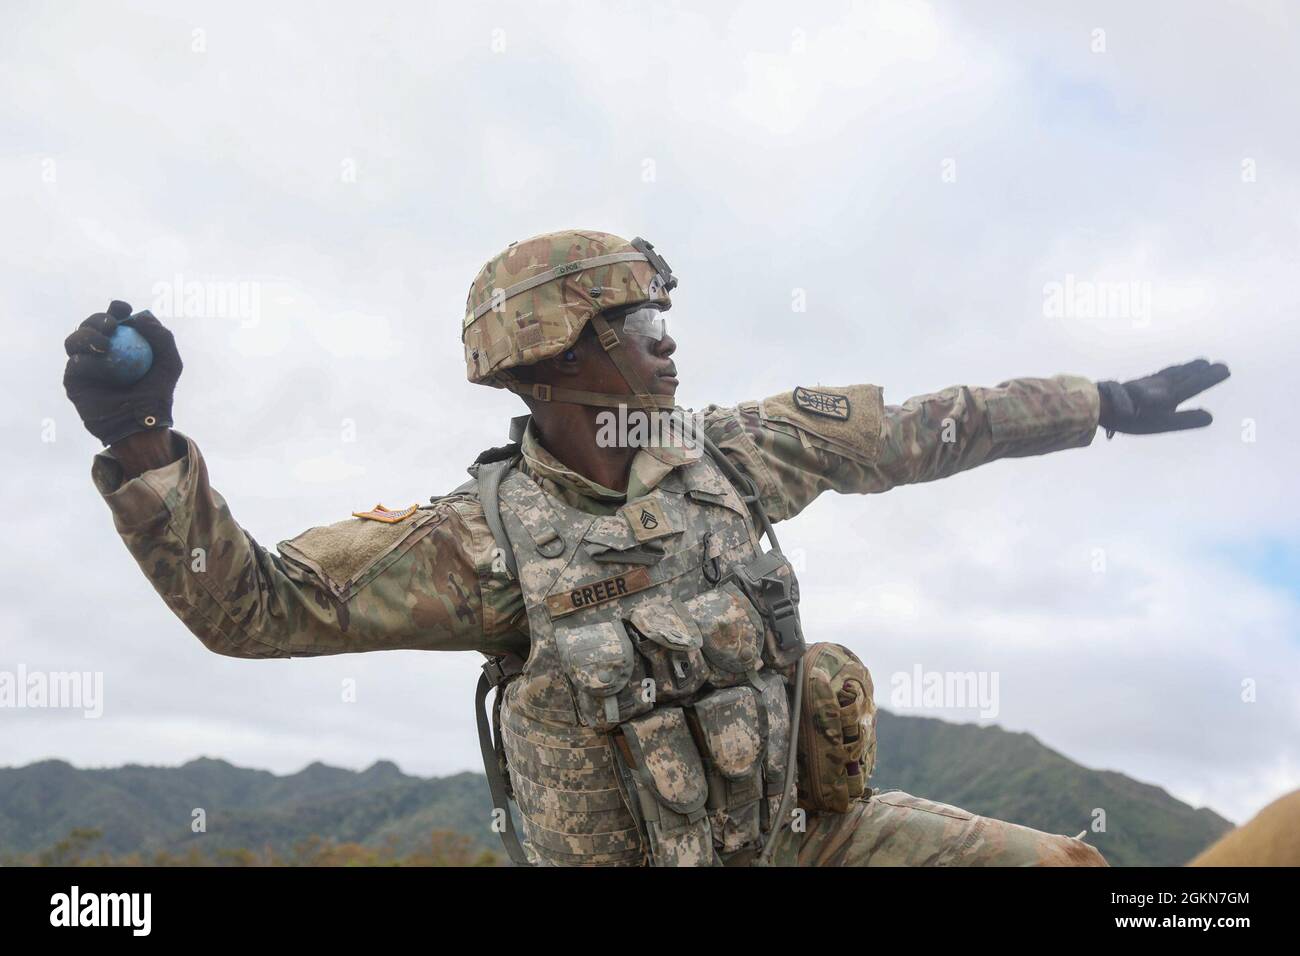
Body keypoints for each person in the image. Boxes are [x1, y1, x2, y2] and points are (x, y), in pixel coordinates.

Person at [64, 229, 1230, 867]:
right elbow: (253, 610)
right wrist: (144, 439)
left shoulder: (739, 453)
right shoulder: (479, 539)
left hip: (799, 837)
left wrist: (1100, 401)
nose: (671, 350)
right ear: (558, 348)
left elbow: (935, 426)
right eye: (643, 325)